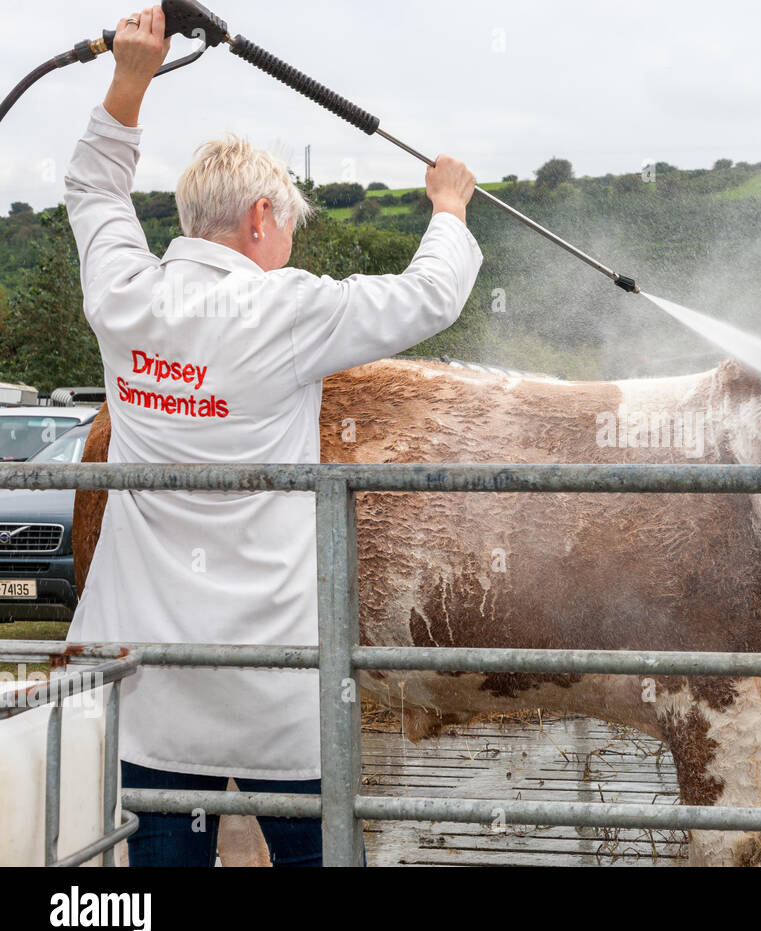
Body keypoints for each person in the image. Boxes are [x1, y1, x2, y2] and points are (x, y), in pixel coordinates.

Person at [63, 6, 482, 866]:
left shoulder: (125, 298)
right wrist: (447, 208)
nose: (290, 241)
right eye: (287, 224)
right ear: (260, 217)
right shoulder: (288, 309)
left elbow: (93, 189)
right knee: (315, 855)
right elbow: (428, 297)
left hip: (152, 684)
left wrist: (131, 77)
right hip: (278, 685)